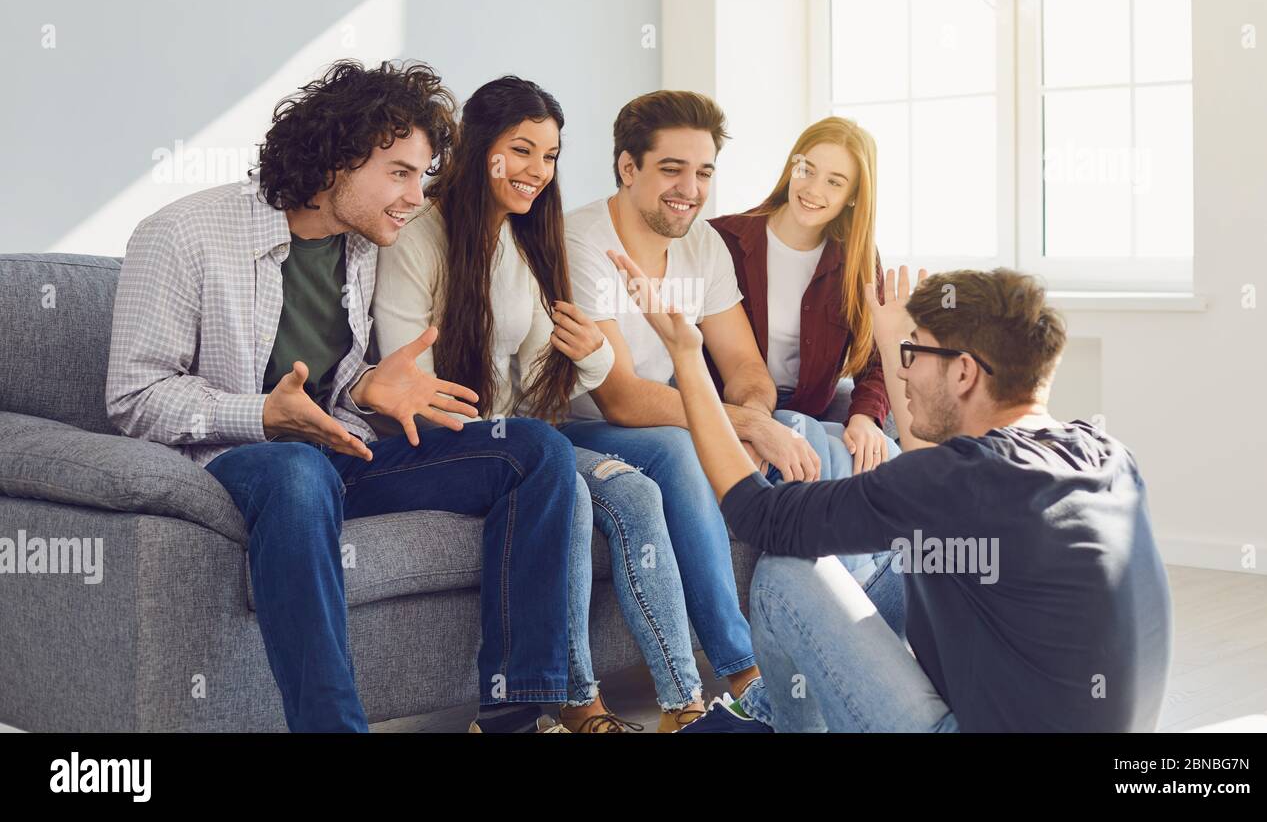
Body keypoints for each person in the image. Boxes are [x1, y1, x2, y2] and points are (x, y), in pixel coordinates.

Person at [107, 60, 577, 733]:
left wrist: (366, 388)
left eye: (423, 174)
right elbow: (133, 397)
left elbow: (335, 391)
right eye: (399, 173)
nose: (417, 196)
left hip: (337, 458)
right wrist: (264, 414)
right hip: (234, 464)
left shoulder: (360, 247)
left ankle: (515, 714)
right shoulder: (183, 235)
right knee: (297, 469)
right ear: (335, 162)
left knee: (533, 450)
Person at [610, 251, 1173, 733]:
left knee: (785, 575)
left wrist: (687, 354)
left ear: (965, 374)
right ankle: (758, 713)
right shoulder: (1105, 455)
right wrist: (889, 336)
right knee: (921, 547)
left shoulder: (956, 483)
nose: (901, 373)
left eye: (915, 354)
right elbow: (938, 481)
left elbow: (759, 514)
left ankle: (764, 721)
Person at [373, 76, 708, 732]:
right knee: (570, 492)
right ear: (479, 147)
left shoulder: (521, 242)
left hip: (525, 442)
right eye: (522, 151)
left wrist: (587, 350)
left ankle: (684, 706)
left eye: (550, 156)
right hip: (449, 447)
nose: (537, 171)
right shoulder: (420, 237)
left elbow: (544, 382)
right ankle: (583, 705)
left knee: (636, 494)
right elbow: (409, 379)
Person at [561, 90, 831, 731]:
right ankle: (744, 671)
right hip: (588, 424)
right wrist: (740, 423)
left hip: (679, 410)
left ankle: (831, 638)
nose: (691, 188)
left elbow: (744, 368)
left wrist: (761, 414)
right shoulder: (580, 240)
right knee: (684, 450)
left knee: (803, 430)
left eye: (704, 171)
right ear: (628, 168)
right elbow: (620, 395)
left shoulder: (703, 246)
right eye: (672, 169)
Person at [710, 116, 901, 593]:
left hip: (809, 403)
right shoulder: (723, 240)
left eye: (835, 181)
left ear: (853, 195)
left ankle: (887, 601)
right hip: (737, 406)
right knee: (812, 436)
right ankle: (858, 599)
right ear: (790, 167)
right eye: (806, 169)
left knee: (880, 458)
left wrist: (865, 417)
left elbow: (876, 358)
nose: (813, 188)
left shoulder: (855, 257)